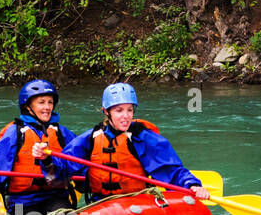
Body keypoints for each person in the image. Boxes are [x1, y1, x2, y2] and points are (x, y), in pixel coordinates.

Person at [36, 83, 210, 204]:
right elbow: (63, 169)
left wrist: (192, 185)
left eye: (129, 110)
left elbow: (171, 171)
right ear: (107, 112)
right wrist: (46, 159)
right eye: (119, 110)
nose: (125, 115)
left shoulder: (143, 138)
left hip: (138, 202)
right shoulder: (91, 138)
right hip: (101, 204)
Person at [0, 79, 76, 215]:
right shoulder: (15, 133)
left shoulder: (61, 133)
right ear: (28, 106)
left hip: (56, 196)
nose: (47, 107)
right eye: (41, 102)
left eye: (50, 102)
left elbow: (82, 159)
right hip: (23, 201)